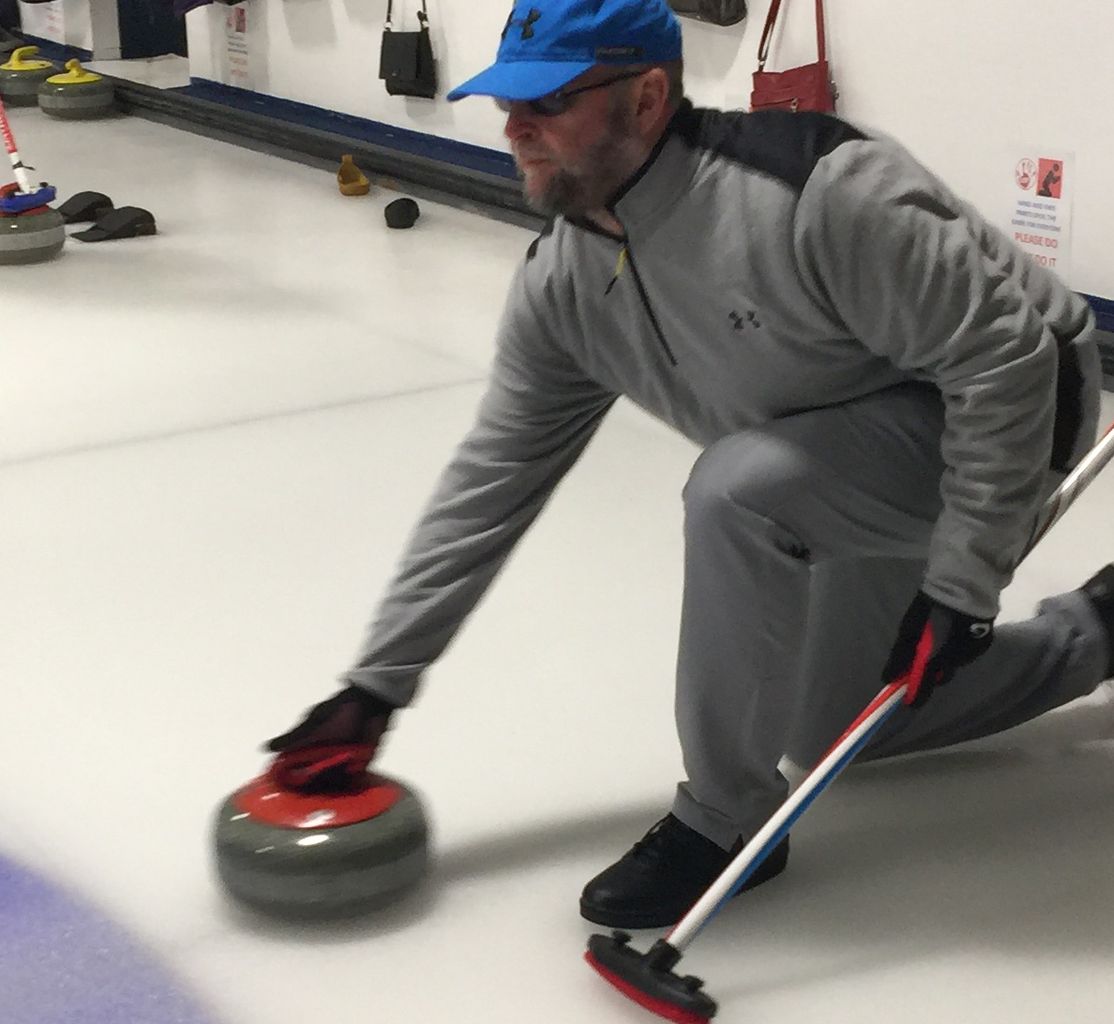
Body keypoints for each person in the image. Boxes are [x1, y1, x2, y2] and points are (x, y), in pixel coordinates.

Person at [267, 0, 1113, 930]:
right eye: (506, 103)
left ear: (647, 98)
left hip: (1010, 413)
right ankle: (1102, 629)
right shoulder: (566, 284)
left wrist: (964, 583)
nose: (515, 129)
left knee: (738, 491)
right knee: (834, 726)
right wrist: (378, 683)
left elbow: (1006, 362)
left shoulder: (817, 194)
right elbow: (490, 483)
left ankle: (724, 824)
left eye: (545, 102)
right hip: (836, 447)